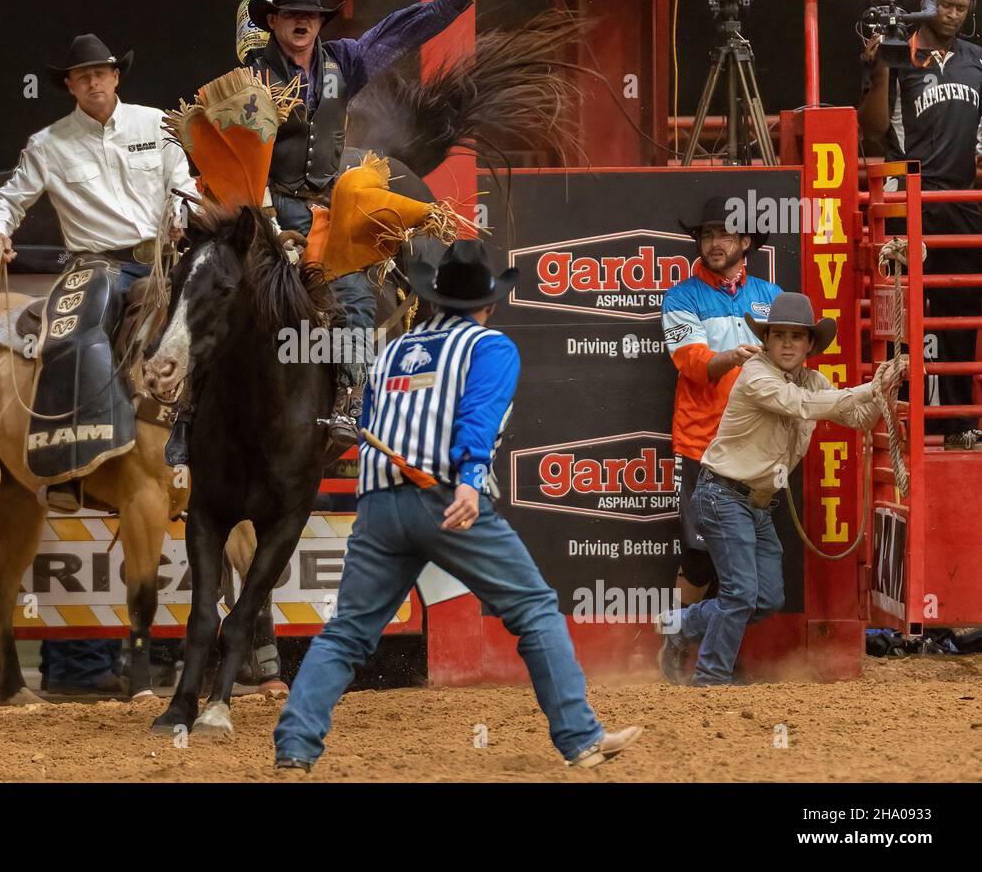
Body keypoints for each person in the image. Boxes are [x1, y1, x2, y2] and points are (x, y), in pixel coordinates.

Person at [272, 239, 643, 771]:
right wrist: (471, 480)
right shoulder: (490, 347)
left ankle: (295, 748)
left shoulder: (392, 351)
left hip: (378, 505)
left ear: (433, 298)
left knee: (348, 631)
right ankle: (580, 738)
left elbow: (371, 422)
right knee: (535, 610)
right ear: (487, 304)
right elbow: (480, 417)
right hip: (444, 498)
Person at [163, 0, 512, 464]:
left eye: (310, 14)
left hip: (326, 206)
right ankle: (188, 415)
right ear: (274, 21)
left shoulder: (342, 62)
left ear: (320, 21)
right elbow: (226, 147)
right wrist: (261, 215)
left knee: (352, 292)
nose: (301, 22)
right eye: (291, 14)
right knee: (213, 289)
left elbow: (401, 31)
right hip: (265, 206)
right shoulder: (251, 78)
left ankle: (350, 397)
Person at [0, 33, 190, 695]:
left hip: (158, 257)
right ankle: (82, 461)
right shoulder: (48, 144)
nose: (94, 84)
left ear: (114, 76)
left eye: (101, 73)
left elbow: (184, 182)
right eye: (82, 77)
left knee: (216, 321)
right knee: (78, 343)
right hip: (94, 266)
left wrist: (187, 215)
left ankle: (205, 444)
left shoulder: (156, 124)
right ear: (69, 86)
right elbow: (8, 197)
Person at [655, 293, 906, 687]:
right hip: (723, 495)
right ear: (767, 341)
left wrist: (882, 392)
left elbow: (857, 417)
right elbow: (801, 404)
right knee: (740, 594)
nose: (788, 344)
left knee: (765, 599)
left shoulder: (812, 380)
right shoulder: (756, 374)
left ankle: (681, 625)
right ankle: (710, 678)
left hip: (755, 503)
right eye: (780, 336)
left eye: (796, 337)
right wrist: (873, 384)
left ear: (809, 345)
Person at [858, 0, 982, 449]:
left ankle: (957, 424)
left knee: (960, 312)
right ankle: (895, 423)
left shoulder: (976, 59)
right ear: (924, 1)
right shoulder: (896, 52)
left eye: (961, 7)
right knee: (900, 321)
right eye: (944, 4)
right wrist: (879, 72)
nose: (951, 14)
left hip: (961, 202)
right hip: (907, 197)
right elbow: (871, 129)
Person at [662, 195, 781, 606]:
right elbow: (691, 361)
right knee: (700, 555)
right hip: (704, 443)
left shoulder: (772, 296)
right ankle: (678, 643)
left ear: (745, 241)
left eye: (725, 233)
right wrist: (734, 357)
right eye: (707, 234)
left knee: (745, 554)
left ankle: (720, 644)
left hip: (759, 444)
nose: (714, 242)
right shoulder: (681, 297)